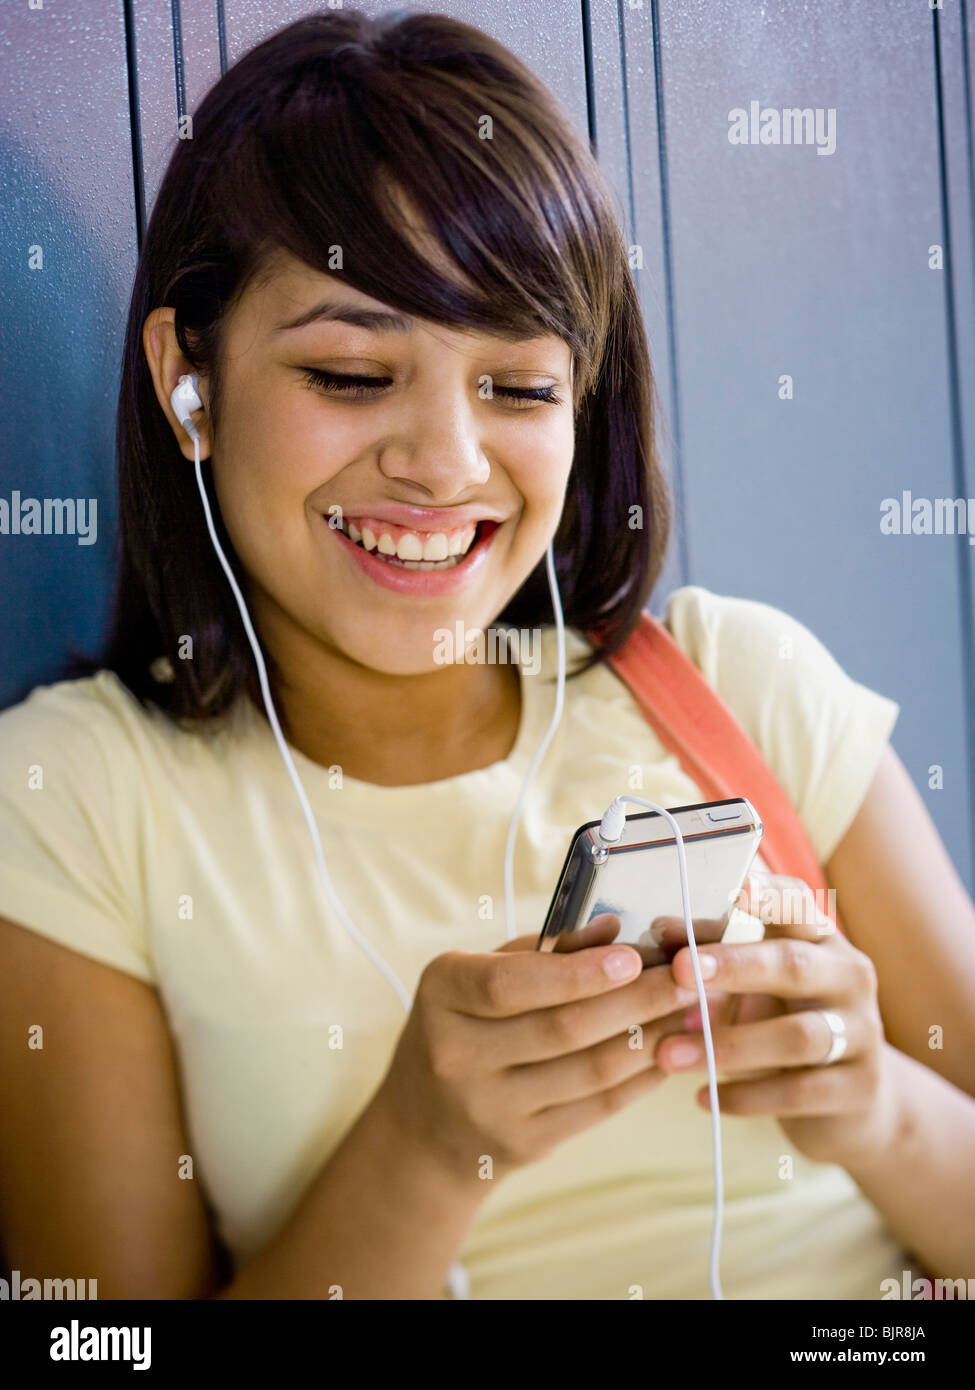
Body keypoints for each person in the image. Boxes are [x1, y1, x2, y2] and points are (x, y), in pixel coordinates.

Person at [0, 10, 973, 1302]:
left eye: (518, 388)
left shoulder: (748, 682)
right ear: (191, 379)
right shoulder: (70, 799)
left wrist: (879, 1107)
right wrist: (425, 1144)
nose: (446, 465)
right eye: (351, 372)